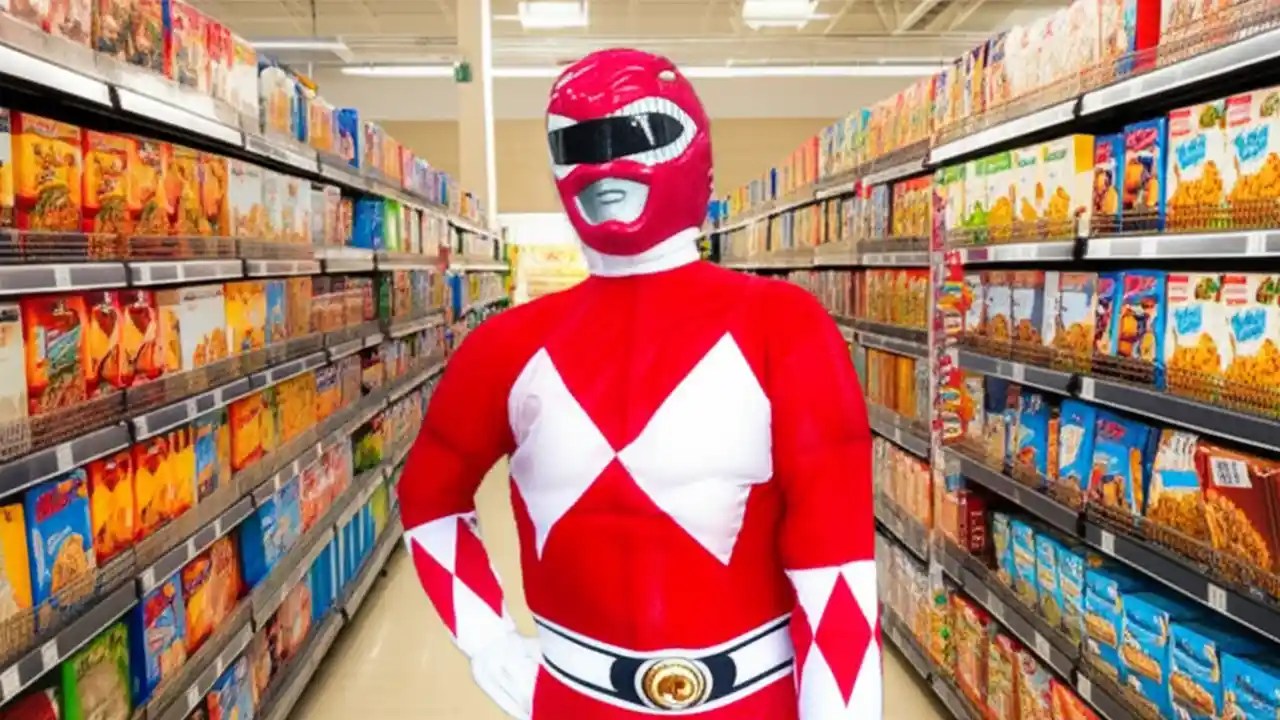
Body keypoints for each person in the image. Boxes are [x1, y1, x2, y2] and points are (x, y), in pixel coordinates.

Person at [397, 48, 881, 719]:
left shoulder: (785, 327)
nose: (604, 165)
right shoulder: (505, 347)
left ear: (694, 144)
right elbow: (428, 494)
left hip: (752, 695)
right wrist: (487, 640)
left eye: (638, 134)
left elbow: (836, 561)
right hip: (574, 695)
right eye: (579, 143)